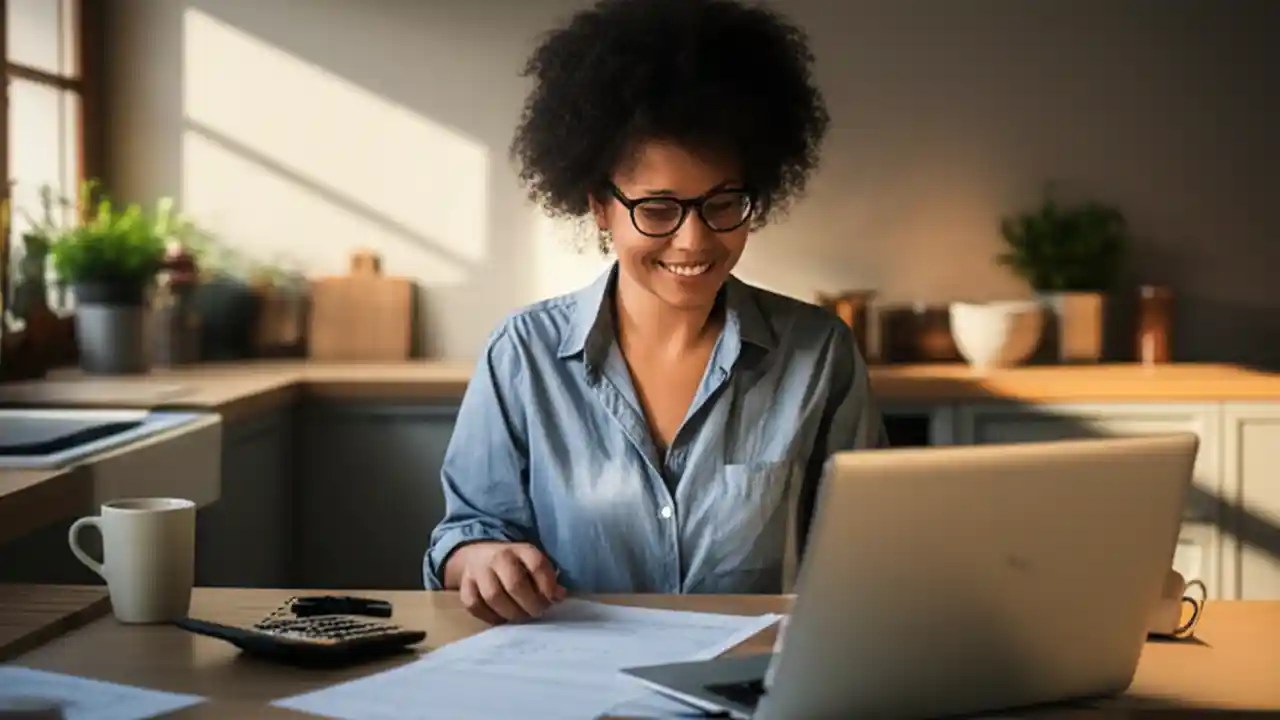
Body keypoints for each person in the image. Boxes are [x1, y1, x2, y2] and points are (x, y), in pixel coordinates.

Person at [424, 0, 888, 625]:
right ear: (600, 207)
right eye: (659, 209)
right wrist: (481, 557)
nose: (694, 241)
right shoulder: (523, 354)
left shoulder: (819, 354)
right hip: (572, 687)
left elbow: (869, 554)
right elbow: (467, 533)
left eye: (723, 204)